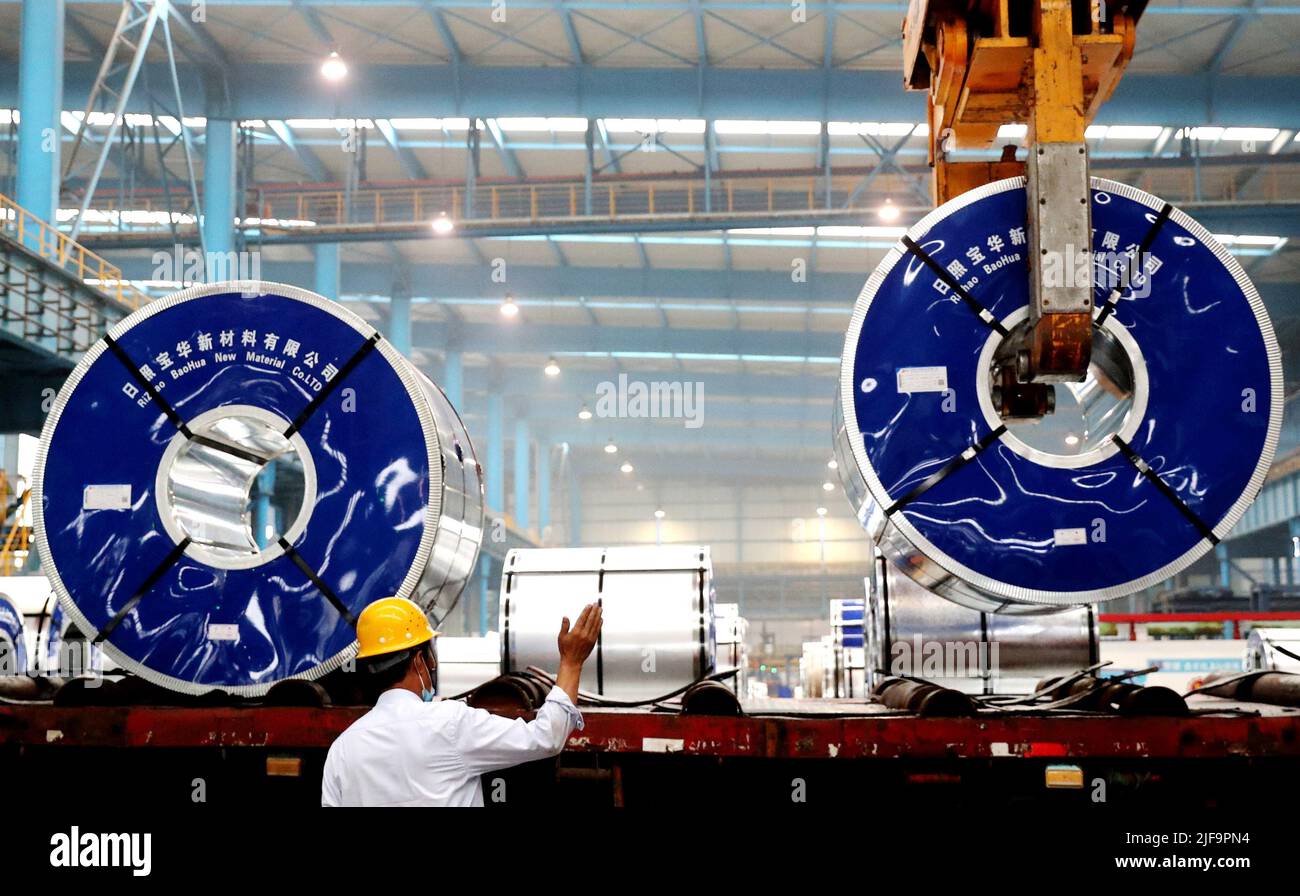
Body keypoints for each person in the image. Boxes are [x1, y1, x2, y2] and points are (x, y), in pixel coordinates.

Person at [321, 596, 602, 807]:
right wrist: (571, 663)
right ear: (420, 661)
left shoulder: (343, 749)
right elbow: (547, 737)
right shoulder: (449, 724)